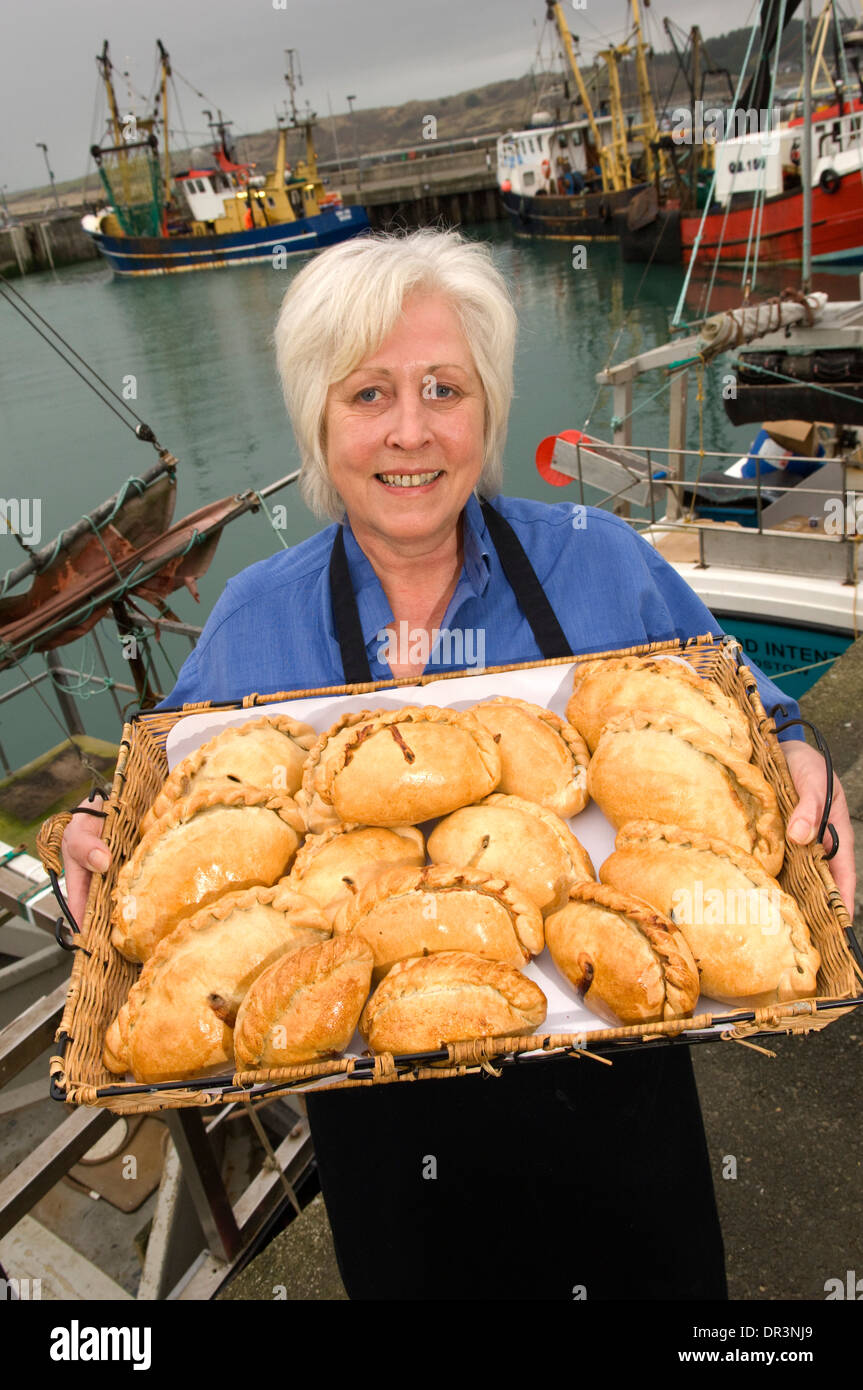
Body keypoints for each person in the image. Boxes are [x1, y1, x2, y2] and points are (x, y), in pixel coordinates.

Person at [60, 229, 855, 1300]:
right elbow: (167, 795)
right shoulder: (260, 617)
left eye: (444, 387)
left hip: (615, 1094)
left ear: (488, 407)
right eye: (366, 395)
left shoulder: (598, 562)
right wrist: (96, 827)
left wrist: (801, 757)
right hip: (390, 1154)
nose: (410, 431)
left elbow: (742, 713)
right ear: (316, 419)